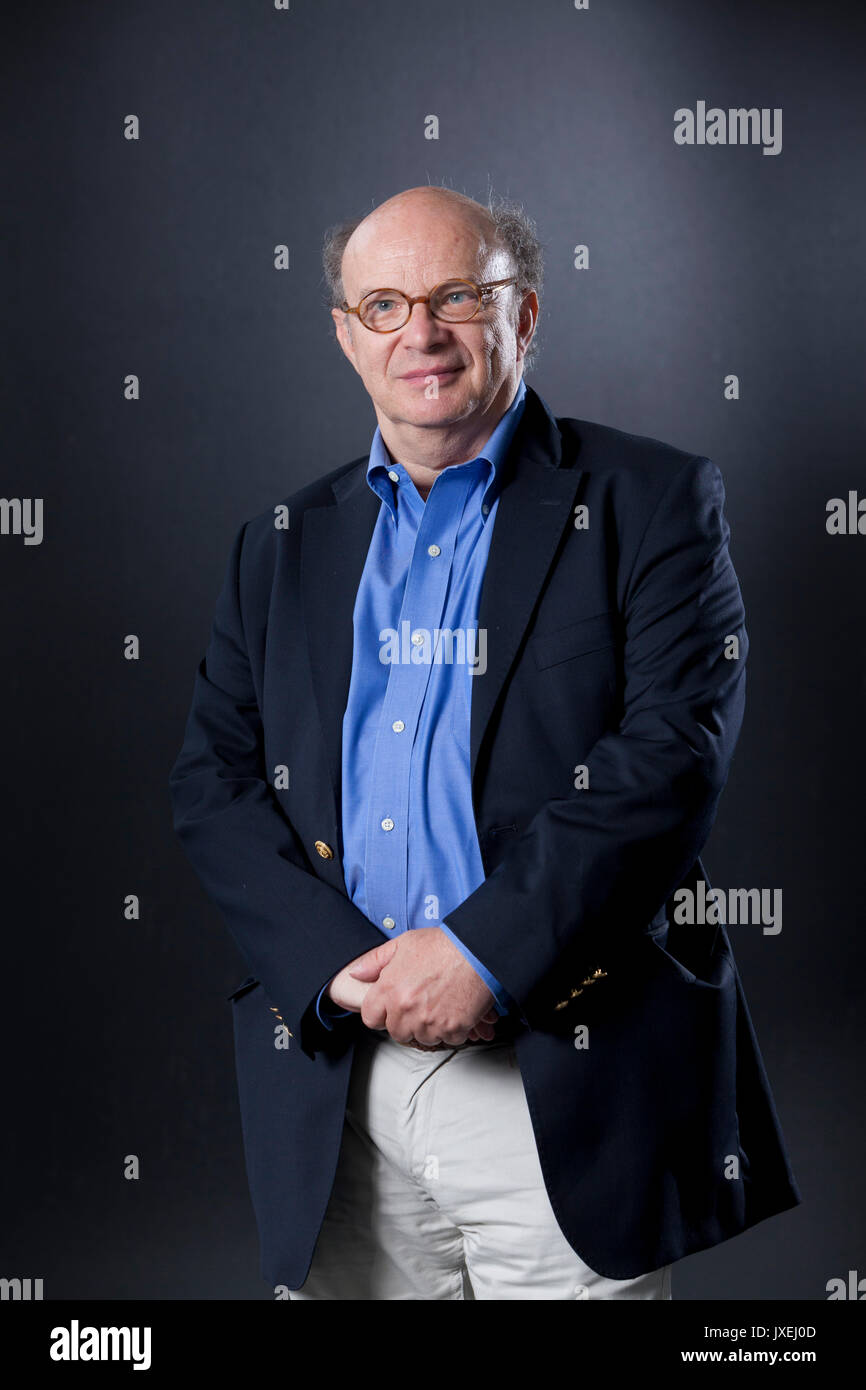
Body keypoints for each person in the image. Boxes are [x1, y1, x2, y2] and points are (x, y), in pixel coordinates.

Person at [168, 185, 801, 1300]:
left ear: (525, 312)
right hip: (341, 1086)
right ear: (345, 334)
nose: (419, 332)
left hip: (562, 1080)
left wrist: (481, 953)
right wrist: (334, 968)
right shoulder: (279, 543)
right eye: (383, 305)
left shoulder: (650, 500)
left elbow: (669, 761)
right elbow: (213, 783)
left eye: (456, 296)